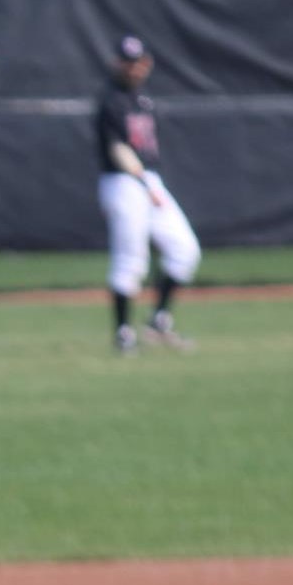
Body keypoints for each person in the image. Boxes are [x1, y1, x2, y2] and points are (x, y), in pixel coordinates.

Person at [96, 34, 201, 354]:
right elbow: (118, 149)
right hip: (124, 181)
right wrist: (143, 182)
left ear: (147, 63)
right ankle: (123, 335)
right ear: (117, 63)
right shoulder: (111, 101)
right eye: (127, 62)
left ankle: (158, 321)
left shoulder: (142, 98)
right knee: (131, 260)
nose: (134, 67)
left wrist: (149, 184)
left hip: (148, 180)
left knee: (184, 250)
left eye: (138, 61)